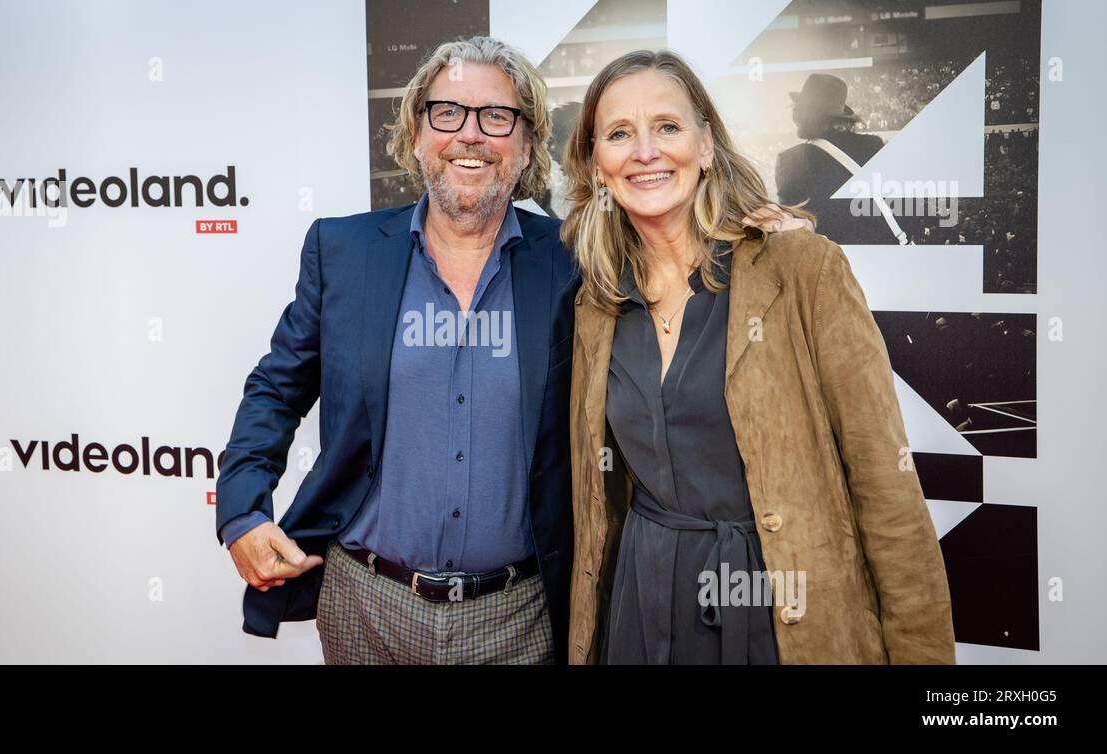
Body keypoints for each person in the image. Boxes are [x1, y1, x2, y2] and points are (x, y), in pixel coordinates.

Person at [218, 37, 806, 665]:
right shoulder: (342, 252)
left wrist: (752, 241)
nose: (470, 135)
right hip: (365, 603)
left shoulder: (578, 260)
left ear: (526, 145)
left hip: (521, 617)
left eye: (497, 117)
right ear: (417, 134)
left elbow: (674, 245)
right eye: (447, 112)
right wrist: (241, 513)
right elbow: (275, 390)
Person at [561, 50, 955, 664]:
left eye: (667, 126)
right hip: (641, 610)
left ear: (707, 144)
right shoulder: (596, 302)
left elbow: (887, 489)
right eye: (619, 134)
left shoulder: (801, 269)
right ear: (597, 164)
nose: (645, 151)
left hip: (782, 613)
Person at [775, 73, 896, 244]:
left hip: (831, 263)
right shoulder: (873, 145)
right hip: (880, 254)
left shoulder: (791, 160)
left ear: (802, 116)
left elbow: (793, 228)